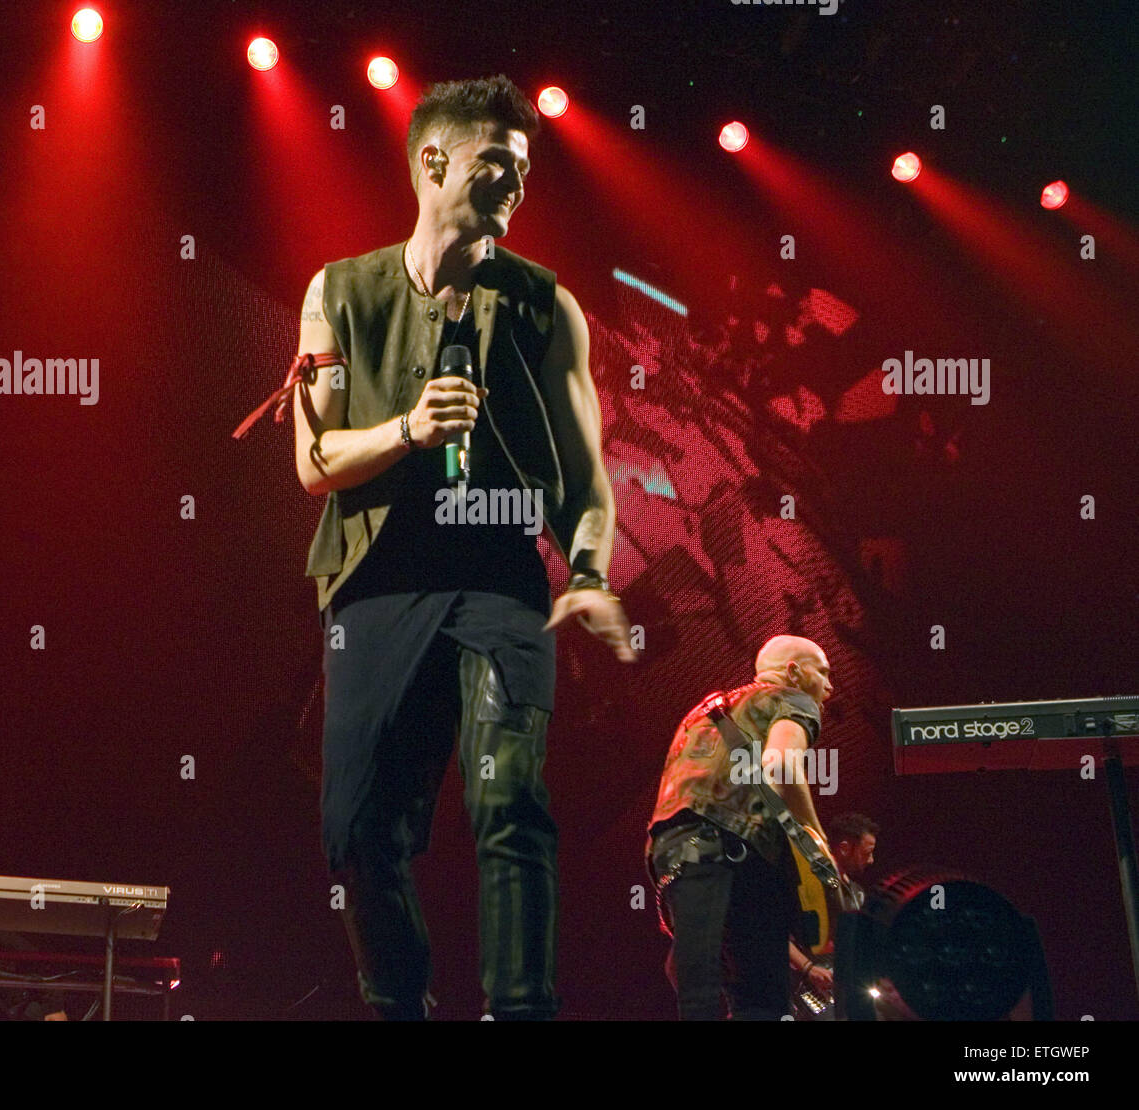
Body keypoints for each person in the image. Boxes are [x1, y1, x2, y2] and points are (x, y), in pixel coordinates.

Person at [286, 74, 636, 1020]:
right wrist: (407, 430)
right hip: (375, 582)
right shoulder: (340, 291)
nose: (515, 185)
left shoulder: (545, 306)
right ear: (433, 162)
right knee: (356, 825)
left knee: (510, 801)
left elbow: (585, 473)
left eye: (523, 170)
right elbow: (314, 463)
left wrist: (594, 570)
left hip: (496, 578)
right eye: (496, 164)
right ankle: (399, 1004)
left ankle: (522, 1010)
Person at [646, 635, 833, 1019]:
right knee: (761, 999)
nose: (830, 685)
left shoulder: (700, 712)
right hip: (737, 850)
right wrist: (816, 839)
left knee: (698, 998)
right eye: (824, 672)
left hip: (672, 854)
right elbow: (780, 765)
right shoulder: (793, 699)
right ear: (794, 672)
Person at [787, 812, 878, 997]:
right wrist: (808, 968)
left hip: (835, 990)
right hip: (796, 986)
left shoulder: (857, 893)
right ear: (844, 848)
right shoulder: (807, 883)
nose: (871, 860)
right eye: (866, 853)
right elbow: (773, 931)